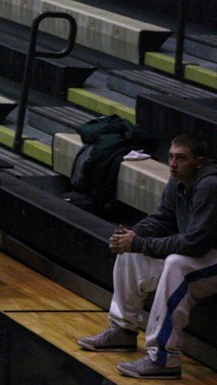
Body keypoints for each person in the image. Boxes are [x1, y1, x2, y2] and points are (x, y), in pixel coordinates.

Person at [77, 134, 217, 380]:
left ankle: (164, 360)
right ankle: (122, 330)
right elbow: (162, 219)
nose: (173, 164)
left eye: (181, 158)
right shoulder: (178, 180)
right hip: (205, 255)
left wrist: (139, 241)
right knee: (131, 250)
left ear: (199, 162)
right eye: (171, 157)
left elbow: (196, 243)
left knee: (177, 265)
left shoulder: (209, 185)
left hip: (209, 255)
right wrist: (132, 236)